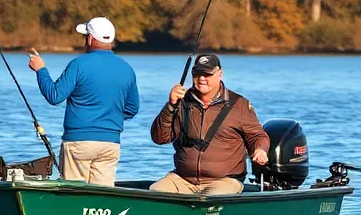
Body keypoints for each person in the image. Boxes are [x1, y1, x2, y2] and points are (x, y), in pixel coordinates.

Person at [28, 17, 139, 186]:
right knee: (101, 196)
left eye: (85, 36)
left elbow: (54, 96)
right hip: (110, 144)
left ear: (91, 39)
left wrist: (40, 70)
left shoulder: (78, 64)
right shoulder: (127, 69)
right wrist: (108, 117)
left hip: (78, 142)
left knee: (74, 194)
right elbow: (132, 108)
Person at [149, 54, 269, 195]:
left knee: (210, 198)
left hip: (225, 181)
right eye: (197, 74)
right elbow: (159, 138)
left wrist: (260, 150)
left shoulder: (239, 105)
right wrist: (170, 105)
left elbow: (257, 136)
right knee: (155, 191)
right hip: (182, 179)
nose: (201, 79)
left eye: (207, 74)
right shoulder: (182, 101)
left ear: (220, 74)